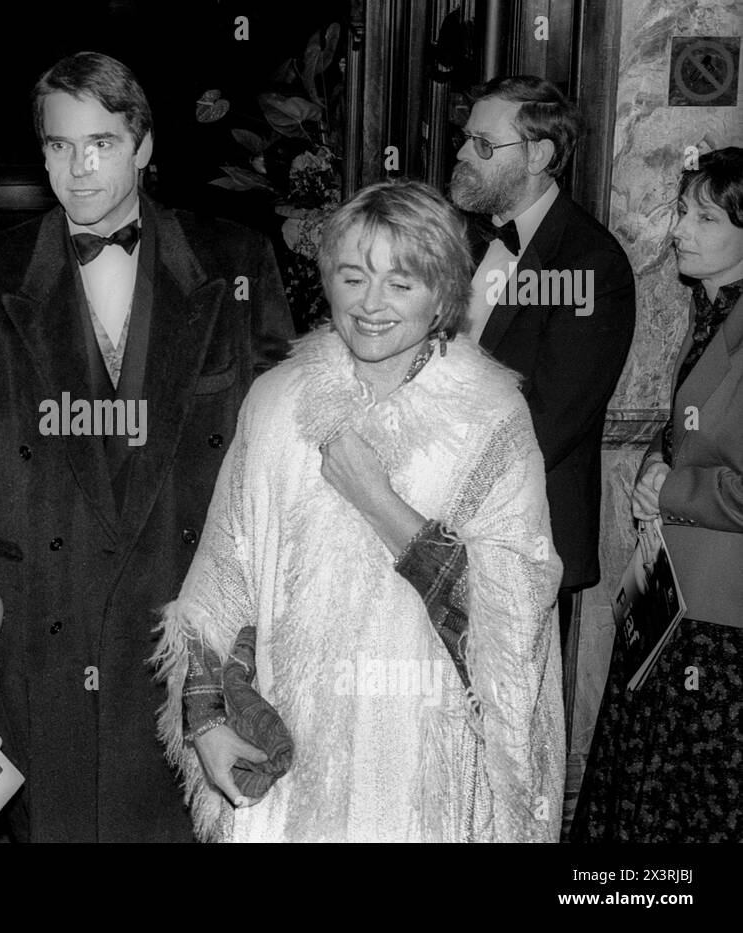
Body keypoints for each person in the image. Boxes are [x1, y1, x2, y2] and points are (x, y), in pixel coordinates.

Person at [0, 51, 293, 842]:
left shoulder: (234, 261)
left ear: (143, 146)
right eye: (58, 145)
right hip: (45, 600)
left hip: (181, 608)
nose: (77, 169)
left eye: (102, 144)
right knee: (55, 819)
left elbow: (275, 453)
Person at [155, 180, 565, 842]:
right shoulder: (275, 399)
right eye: (352, 277)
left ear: (444, 297)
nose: (371, 304)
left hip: (419, 771)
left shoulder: (489, 417)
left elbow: (513, 613)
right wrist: (206, 721)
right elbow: (220, 576)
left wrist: (379, 503)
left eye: (402, 283)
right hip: (290, 763)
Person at [572, 146, 743, 842]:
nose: (680, 231)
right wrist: (651, 463)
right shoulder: (710, 314)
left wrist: (672, 487)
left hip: (721, 616)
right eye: (681, 211)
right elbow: (691, 432)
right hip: (671, 596)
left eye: (704, 218)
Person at [449, 75, 635, 671]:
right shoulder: (463, 239)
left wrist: (445, 494)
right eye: (465, 139)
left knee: (511, 739)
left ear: (540, 156)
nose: (460, 154)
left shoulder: (589, 263)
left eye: (483, 144)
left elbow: (552, 420)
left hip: (520, 536)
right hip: (435, 529)